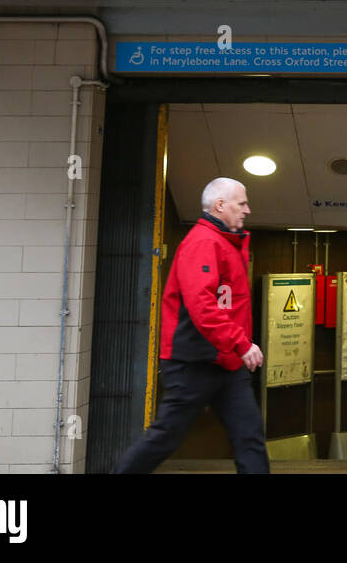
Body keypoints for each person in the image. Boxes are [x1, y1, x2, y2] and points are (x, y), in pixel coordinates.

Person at [112, 177, 270, 473]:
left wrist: (237, 348)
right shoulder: (202, 243)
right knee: (166, 437)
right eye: (242, 203)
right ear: (220, 206)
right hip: (192, 363)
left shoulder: (227, 244)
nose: (247, 210)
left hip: (226, 363)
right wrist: (242, 343)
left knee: (249, 436)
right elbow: (202, 306)